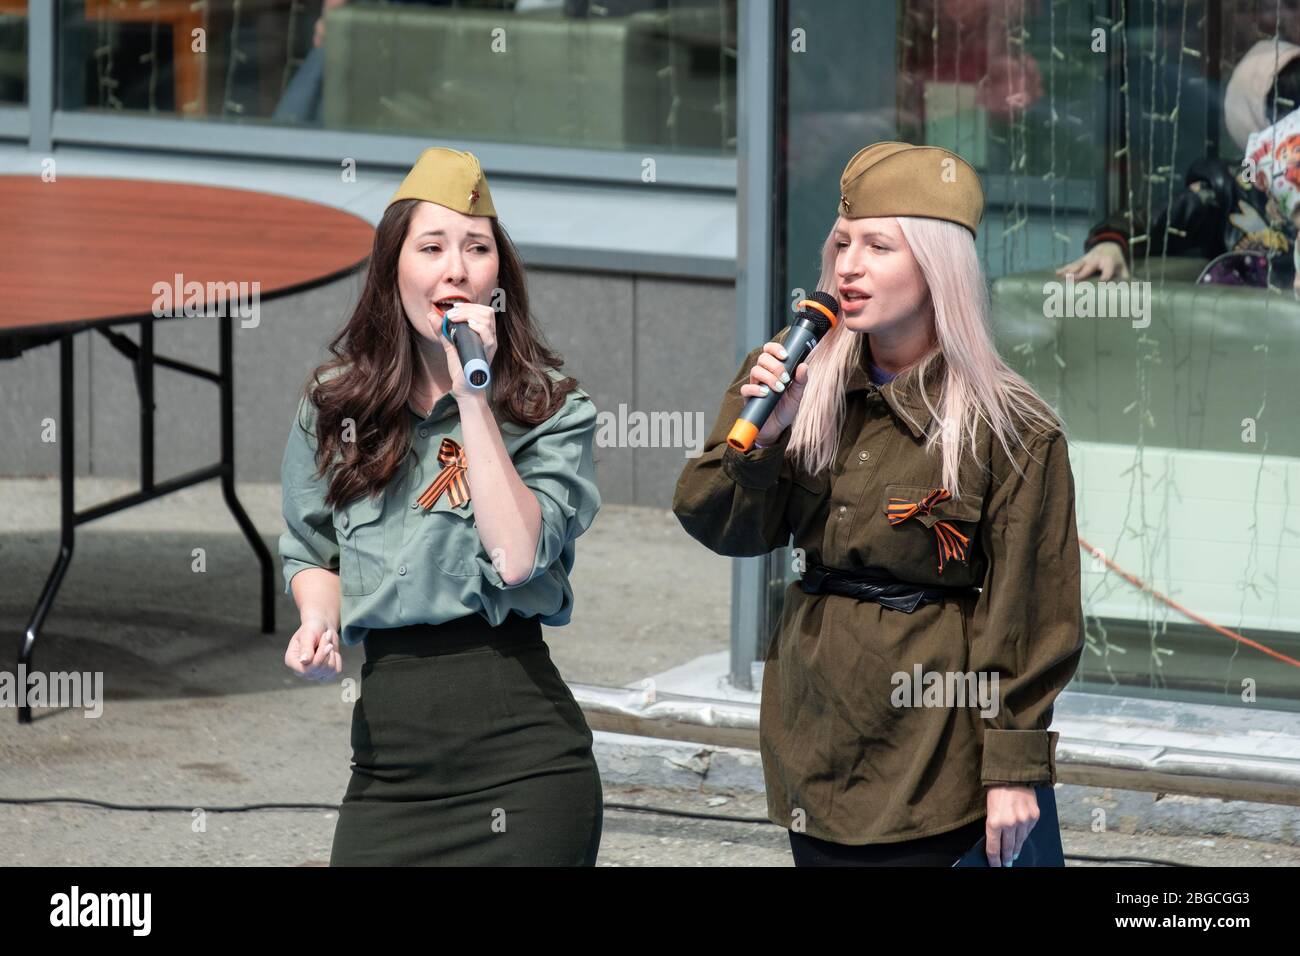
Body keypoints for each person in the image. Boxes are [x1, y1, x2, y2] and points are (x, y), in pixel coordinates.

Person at [672, 141, 1085, 867]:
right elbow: (715, 522)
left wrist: (1015, 769)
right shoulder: (794, 378)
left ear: (937, 267)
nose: (847, 267)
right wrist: (764, 437)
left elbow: (1030, 609)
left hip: (936, 743)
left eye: (878, 246)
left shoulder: (1012, 427)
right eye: (841, 244)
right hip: (817, 730)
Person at [278, 146, 603, 866]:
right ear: (394, 270)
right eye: (432, 247)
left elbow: (517, 557)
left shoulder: (550, 409)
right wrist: (317, 621)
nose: (455, 268)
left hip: (524, 765)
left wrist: (475, 403)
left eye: (476, 248)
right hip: (389, 769)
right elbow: (312, 549)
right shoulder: (335, 405)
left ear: (499, 276)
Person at [1059, 38, 1300, 287]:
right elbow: (1156, 217)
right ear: (1258, 127)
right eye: (1286, 111)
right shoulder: (1229, 187)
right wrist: (1111, 242)